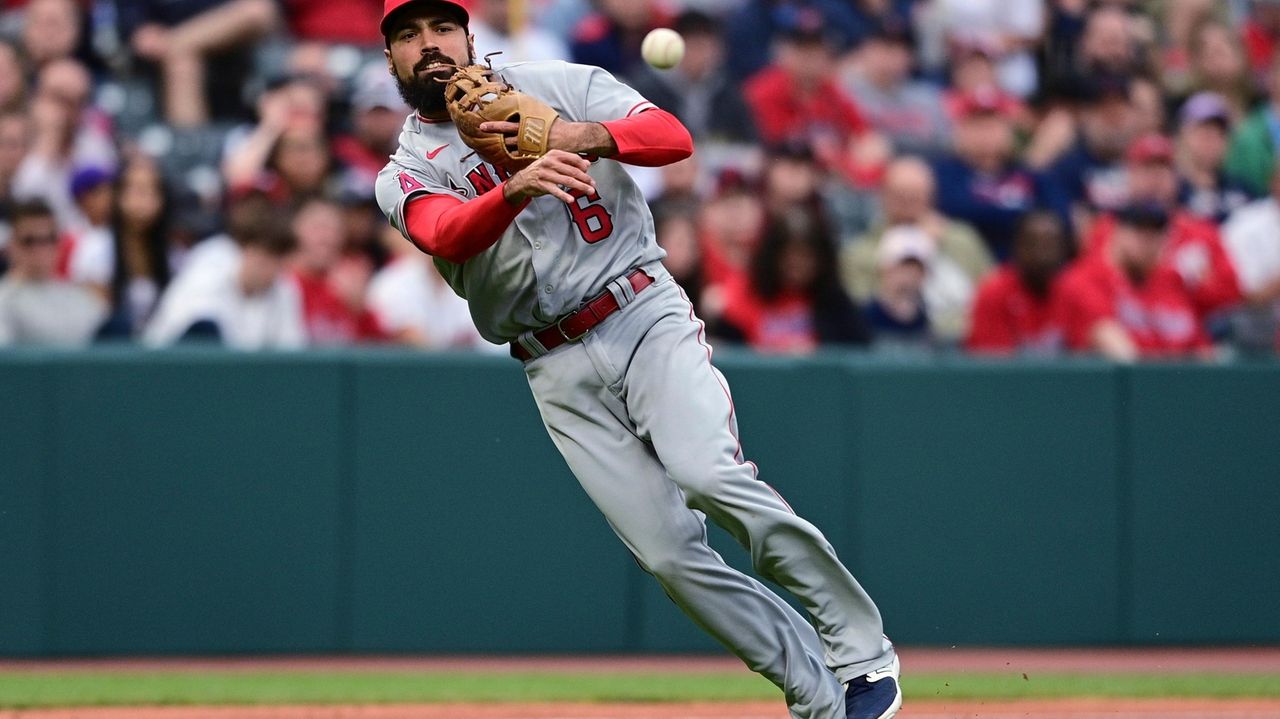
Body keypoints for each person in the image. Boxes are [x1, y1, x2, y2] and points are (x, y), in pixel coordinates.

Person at [372, 1, 901, 718]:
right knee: (669, 556)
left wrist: (575, 134)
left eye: (440, 27)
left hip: (639, 309)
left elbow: (671, 136)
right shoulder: (403, 169)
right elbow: (447, 233)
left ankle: (861, 650)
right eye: (407, 35)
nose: (428, 46)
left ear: (470, 34)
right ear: (390, 58)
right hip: (551, 364)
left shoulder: (556, 82)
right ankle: (817, 698)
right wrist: (512, 188)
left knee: (708, 472)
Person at [143, 191, 305, 349]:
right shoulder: (209, 266)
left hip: (241, 373)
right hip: (169, 367)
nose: (271, 269)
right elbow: (187, 340)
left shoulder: (283, 287)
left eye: (278, 259)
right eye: (266, 256)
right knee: (205, 330)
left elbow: (291, 351)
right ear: (244, 248)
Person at [1053, 203, 1209, 362]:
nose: (1148, 241)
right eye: (1139, 231)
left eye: (1155, 233)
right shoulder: (1085, 279)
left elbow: (1202, 351)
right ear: (1116, 232)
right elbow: (1117, 349)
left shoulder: (1171, 280)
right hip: (1118, 384)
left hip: (1174, 379)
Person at [712, 207, 869, 353]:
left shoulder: (835, 303)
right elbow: (724, 350)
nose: (797, 267)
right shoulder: (746, 293)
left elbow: (856, 353)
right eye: (790, 258)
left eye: (806, 257)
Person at [0, 198, 105, 346]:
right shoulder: (4, 299)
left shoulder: (78, 295)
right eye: (30, 241)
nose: (41, 249)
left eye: (49, 239)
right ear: (12, 245)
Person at [966, 210, 1067, 356]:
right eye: (1032, 245)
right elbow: (993, 368)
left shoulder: (1076, 293)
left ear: (1064, 249)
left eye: (1049, 246)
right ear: (1017, 247)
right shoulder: (994, 293)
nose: (1041, 255)